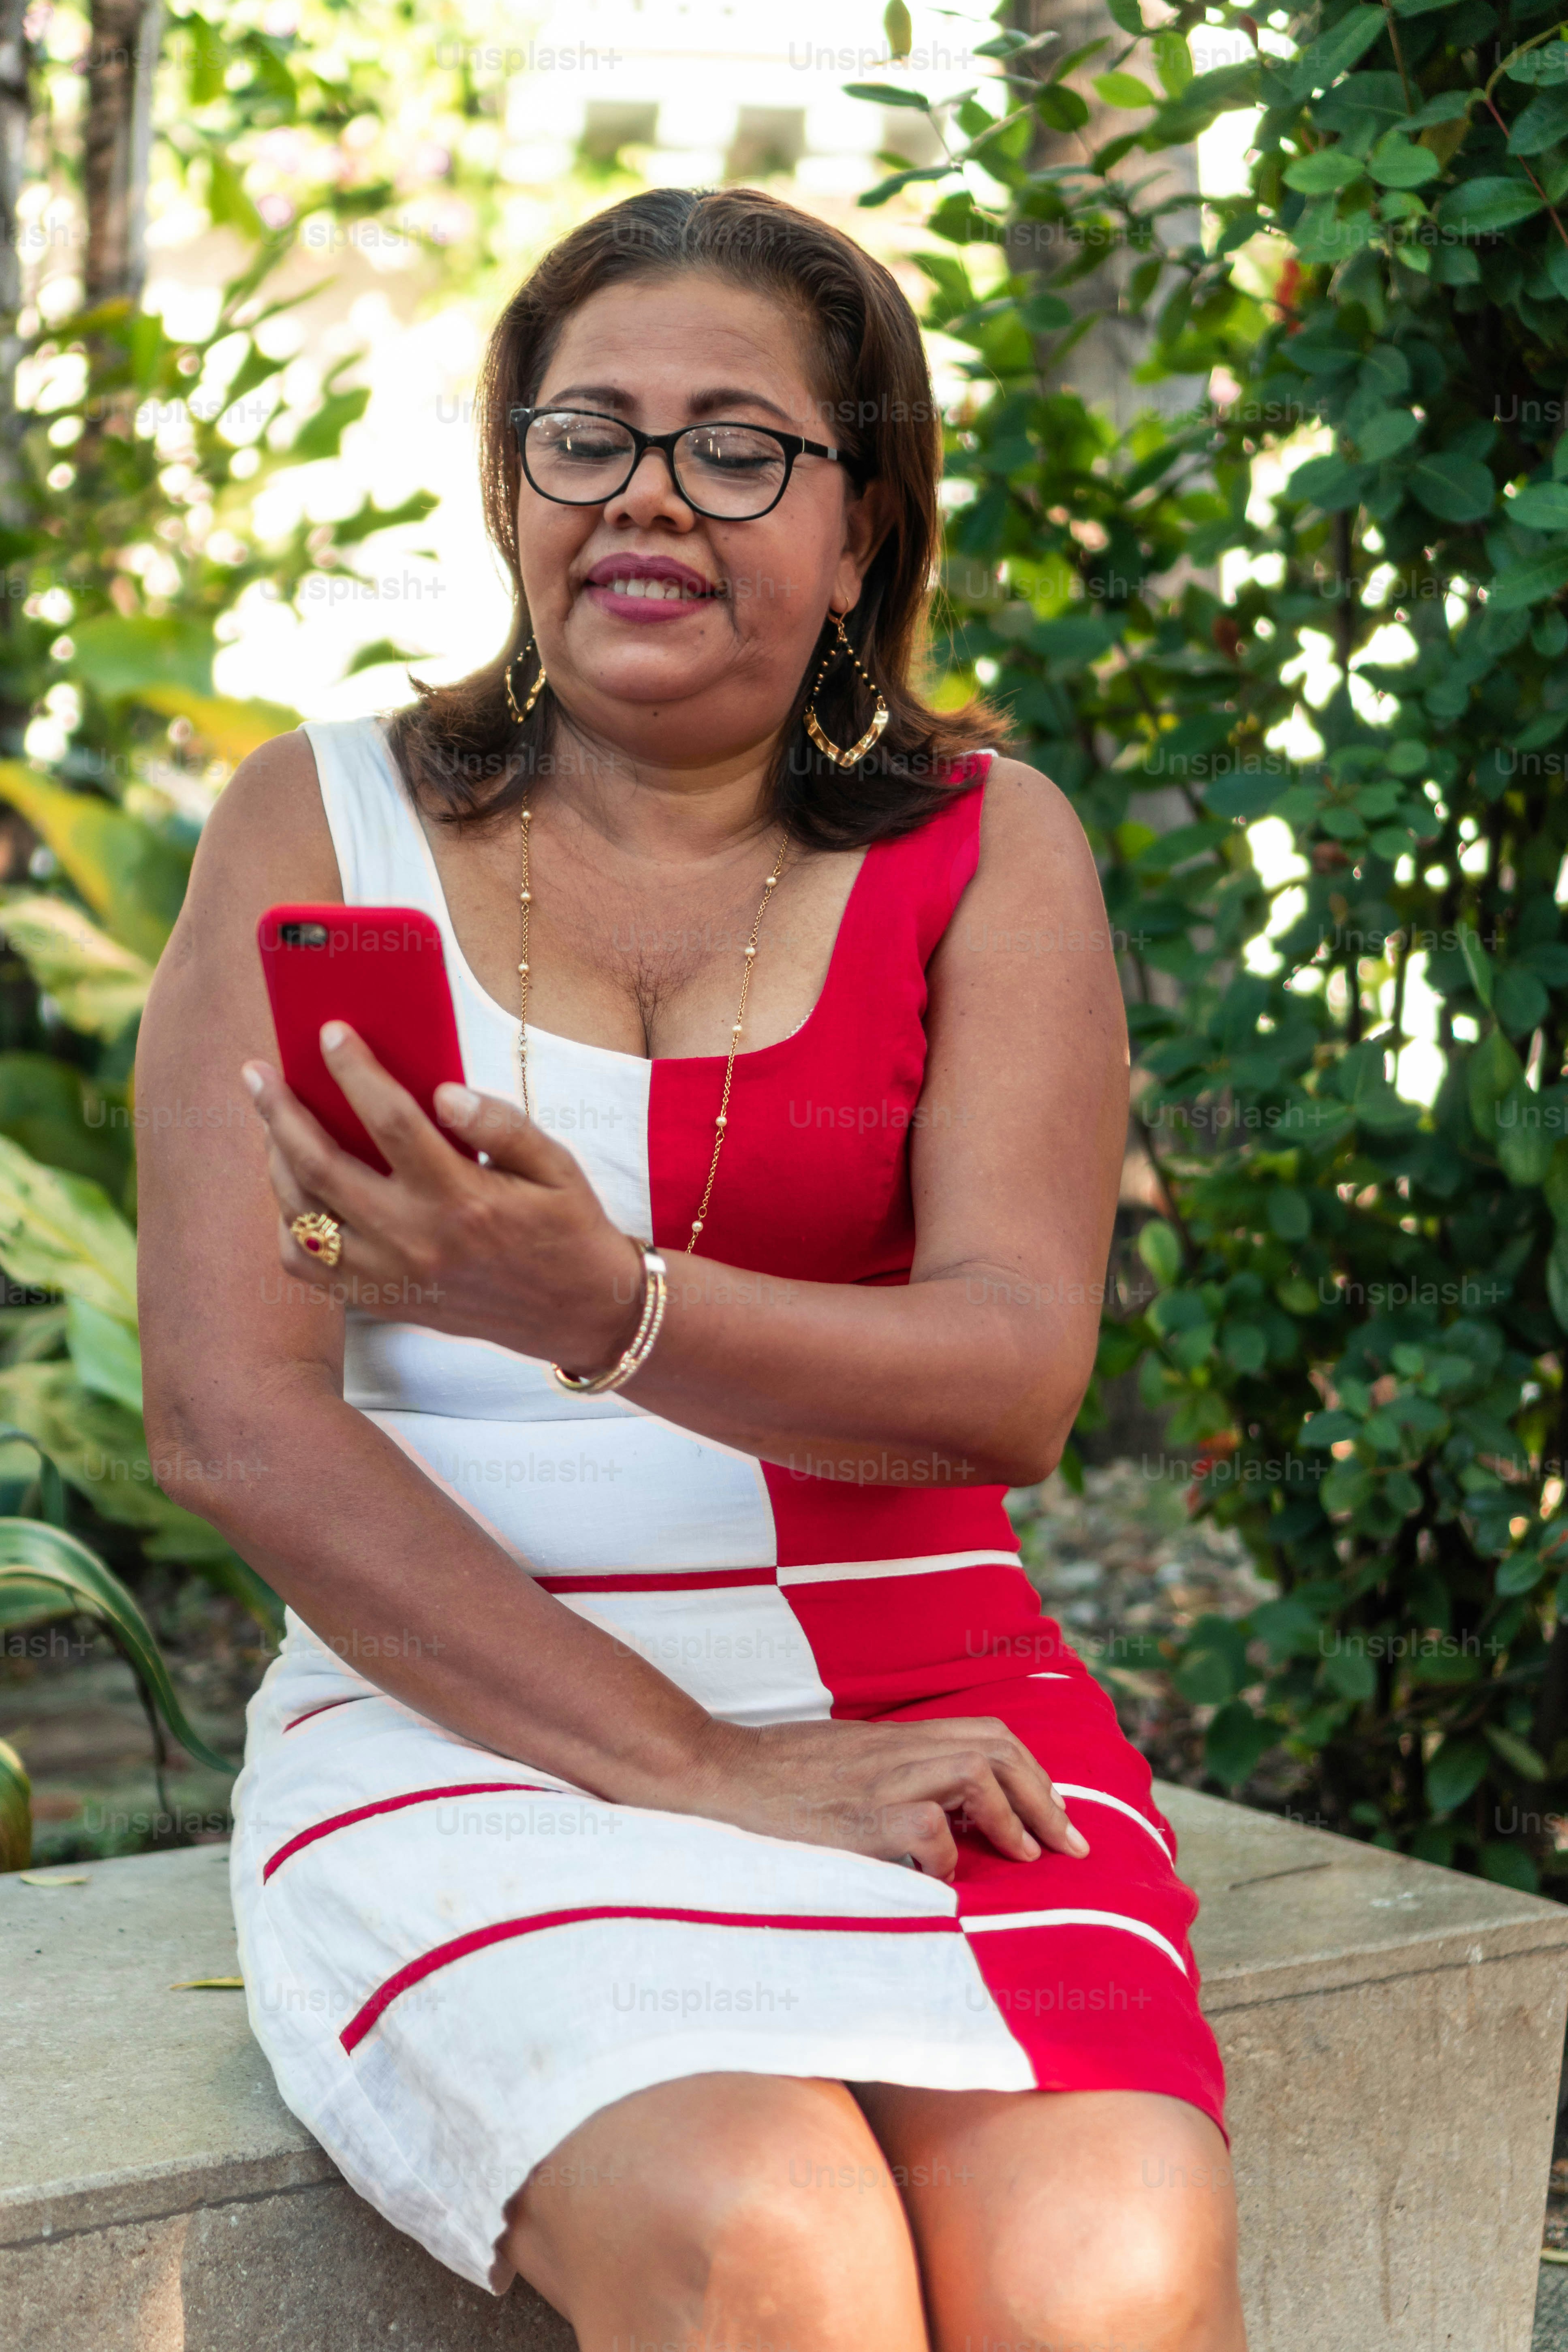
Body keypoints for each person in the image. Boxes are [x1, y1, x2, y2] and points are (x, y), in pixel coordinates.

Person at [138, 185, 1245, 2352]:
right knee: (767, 2247)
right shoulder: (317, 821)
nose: (649, 496)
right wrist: (704, 1769)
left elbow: (1015, 1377)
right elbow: (231, 1417)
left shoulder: (980, 840)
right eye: (587, 435)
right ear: (511, 485)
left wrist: (603, 1308)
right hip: (466, 1708)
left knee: (1108, 2260)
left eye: (738, 447)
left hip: (925, 1690)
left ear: (864, 527)